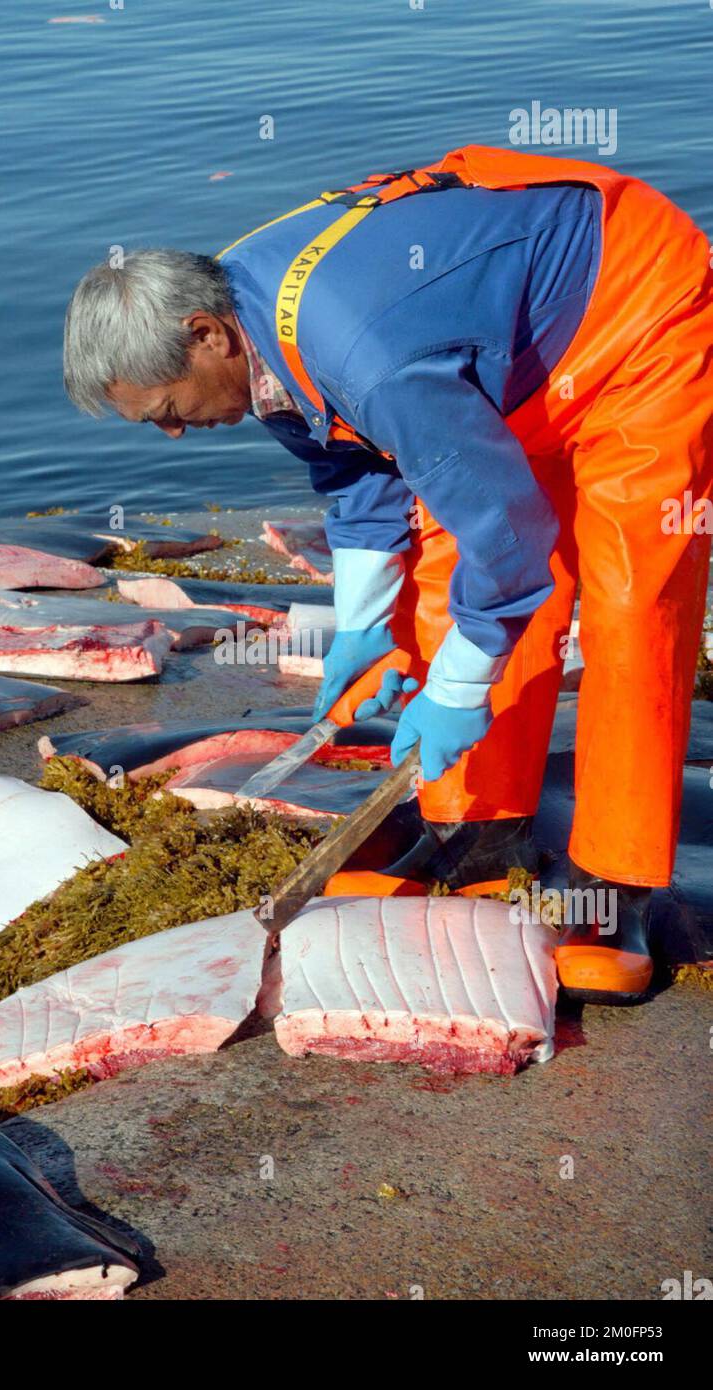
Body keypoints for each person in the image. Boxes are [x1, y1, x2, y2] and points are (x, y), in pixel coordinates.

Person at [63, 146, 712, 1005]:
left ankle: (617, 885)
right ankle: (477, 830)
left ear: (204, 334)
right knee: (444, 578)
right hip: (495, 356)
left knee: (632, 601)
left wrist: (462, 688)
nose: (175, 433)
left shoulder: (365, 354)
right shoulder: (252, 331)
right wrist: (364, 622)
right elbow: (354, 467)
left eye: (169, 411)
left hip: (634, 315)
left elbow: (509, 538)